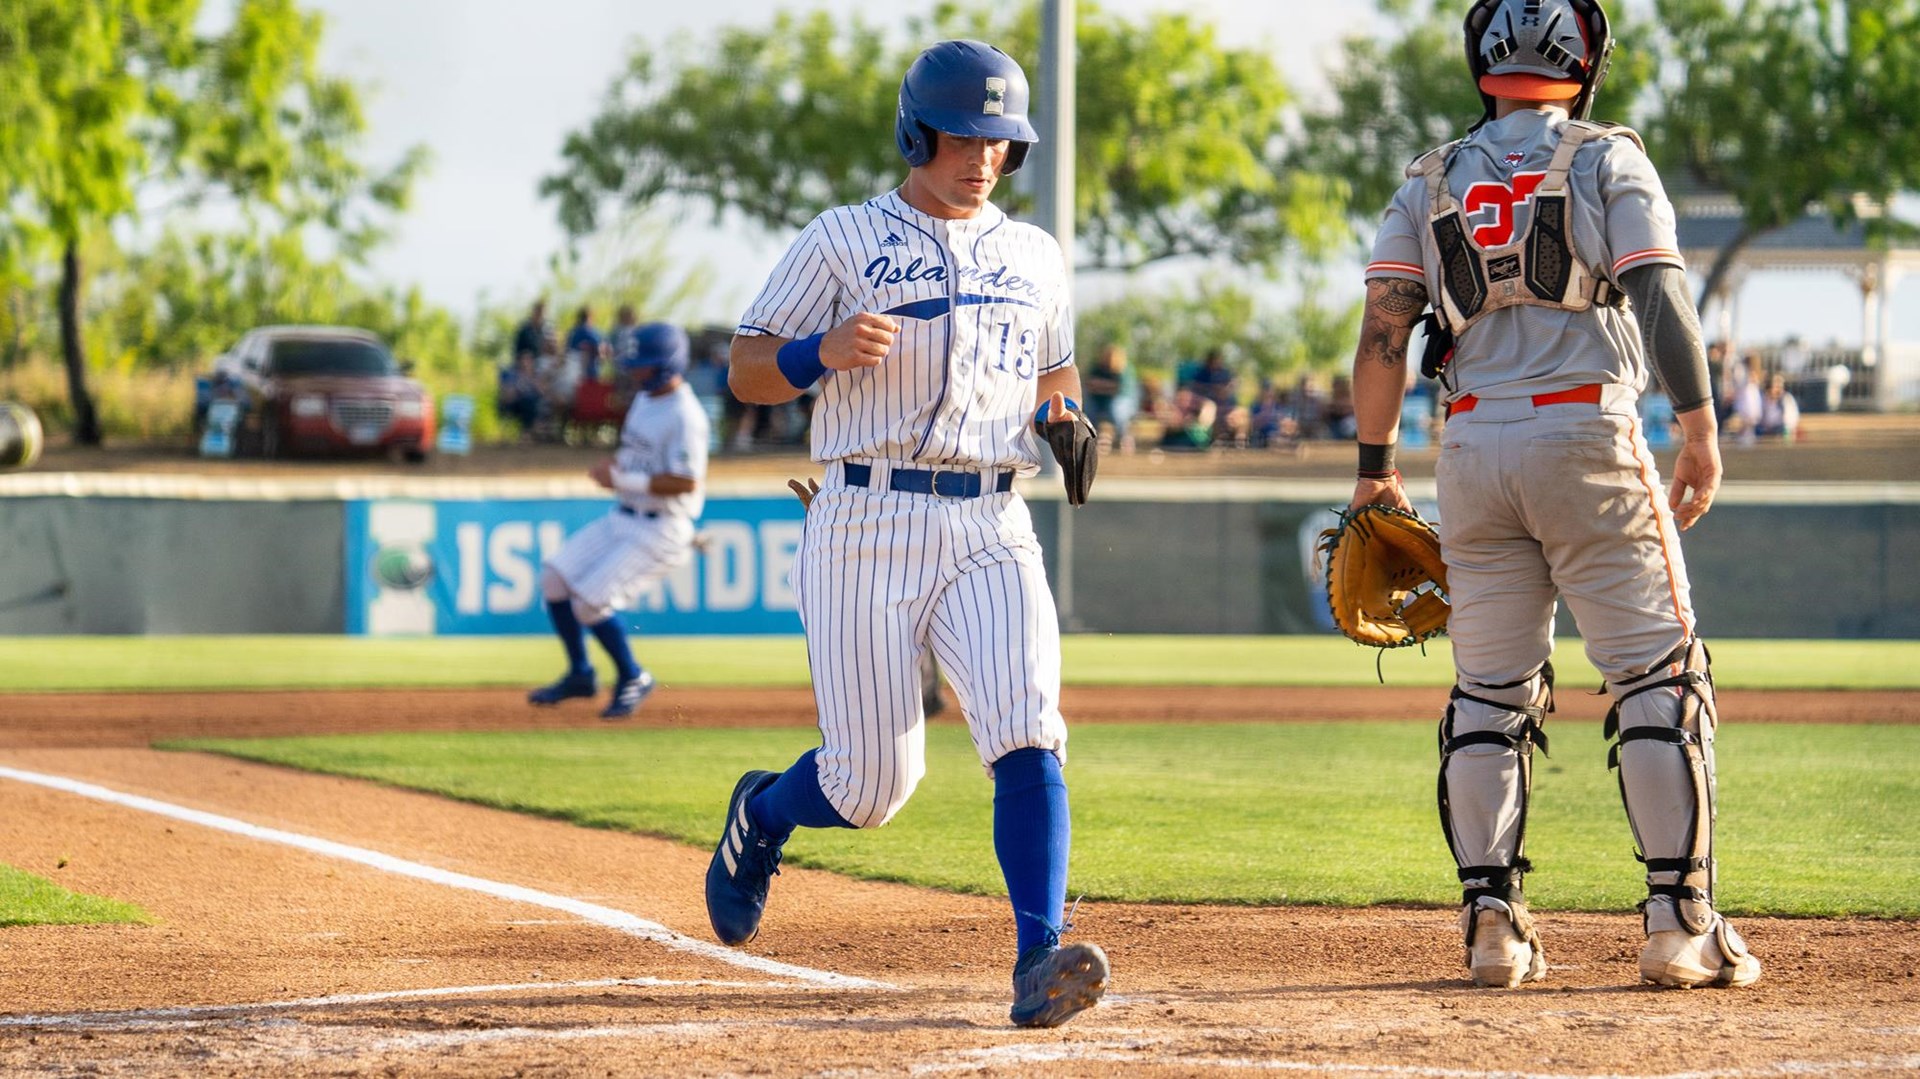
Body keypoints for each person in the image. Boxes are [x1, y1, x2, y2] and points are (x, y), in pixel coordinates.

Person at [1348, 0, 1761, 991]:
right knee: (1659, 678)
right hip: (1588, 435)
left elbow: (1381, 334)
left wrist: (1373, 466)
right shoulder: (1606, 157)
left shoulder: (1431, 176)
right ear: (1586, 64)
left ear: (1481, 64)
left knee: (1489, 693)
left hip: (1474, 444)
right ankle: (1680, 923)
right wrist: (1700, 424)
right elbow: (1657, 290)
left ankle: (1494, 923)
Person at [706, 39, 1109, 1029]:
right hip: (863, 512)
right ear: (918, 132)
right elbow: (747, 367)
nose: (982, 157)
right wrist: (819, 349)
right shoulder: (843, 238)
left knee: (1025, 723)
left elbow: (1054, 377)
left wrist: (1065, 423)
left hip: (989, 516)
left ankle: (1037, 955)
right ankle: (761, 812)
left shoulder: (1035, 254)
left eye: (1000, 140)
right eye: (963, 135)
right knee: (870, 783)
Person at [526, 323, 709, 719]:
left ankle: (633, 676)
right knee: (554, 578)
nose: (635, 371)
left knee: (590, 603)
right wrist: (620, 467)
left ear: (665, 365)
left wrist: (623, 478)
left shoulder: (686, 414)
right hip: (624, 516)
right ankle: (580, 673)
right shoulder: (646, 399)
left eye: (643, 364)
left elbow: (685, 480)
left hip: (662, 527)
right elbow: (639, 456)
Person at [1082, 343, 1139, 453]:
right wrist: (1108, 386)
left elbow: (1119, 389)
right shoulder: (1097, 368)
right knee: (1089, 408)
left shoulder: (1124, 370)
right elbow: (1090, 384)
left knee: (1116, 409)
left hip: (1121, 403)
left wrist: (1100, 386)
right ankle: (1092, 438)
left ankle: (1125, 438)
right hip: (1099, 402)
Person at [1735, 371, 1799, 441]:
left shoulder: (1786, 399)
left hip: (1780, 431)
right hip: (1763, 431)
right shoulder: (1762, 398)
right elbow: (1755, 416)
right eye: (1776, 386)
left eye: (1780, 386)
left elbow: (1790, 421)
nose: (1778, 390)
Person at [496, 350, 543, 436]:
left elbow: (542, 392)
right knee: (527, 401)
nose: (525, 363)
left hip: (533, 405)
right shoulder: (511, 374)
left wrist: (532, 381)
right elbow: (507, 395)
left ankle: (531, 431)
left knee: (531, 402)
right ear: (519, 361)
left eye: (528, 360)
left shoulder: (536, 375)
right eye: (523, 359)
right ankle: (527, 432)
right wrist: (519, 387)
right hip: (515, 405)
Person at [566, 306, 607, 384]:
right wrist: (602, 355)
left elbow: (567, 349)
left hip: (572, 369)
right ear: (589, 317)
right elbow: (599, 346)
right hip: (589, 369)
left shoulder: (572, 331)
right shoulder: (589, 331)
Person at [512, 299, 550, 364]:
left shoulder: (547, 331)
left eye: (542, 313)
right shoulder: (524, 330)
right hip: (526, 363)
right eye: (538, 312)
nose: (540, 316)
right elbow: (517, 351)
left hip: (542, 363)